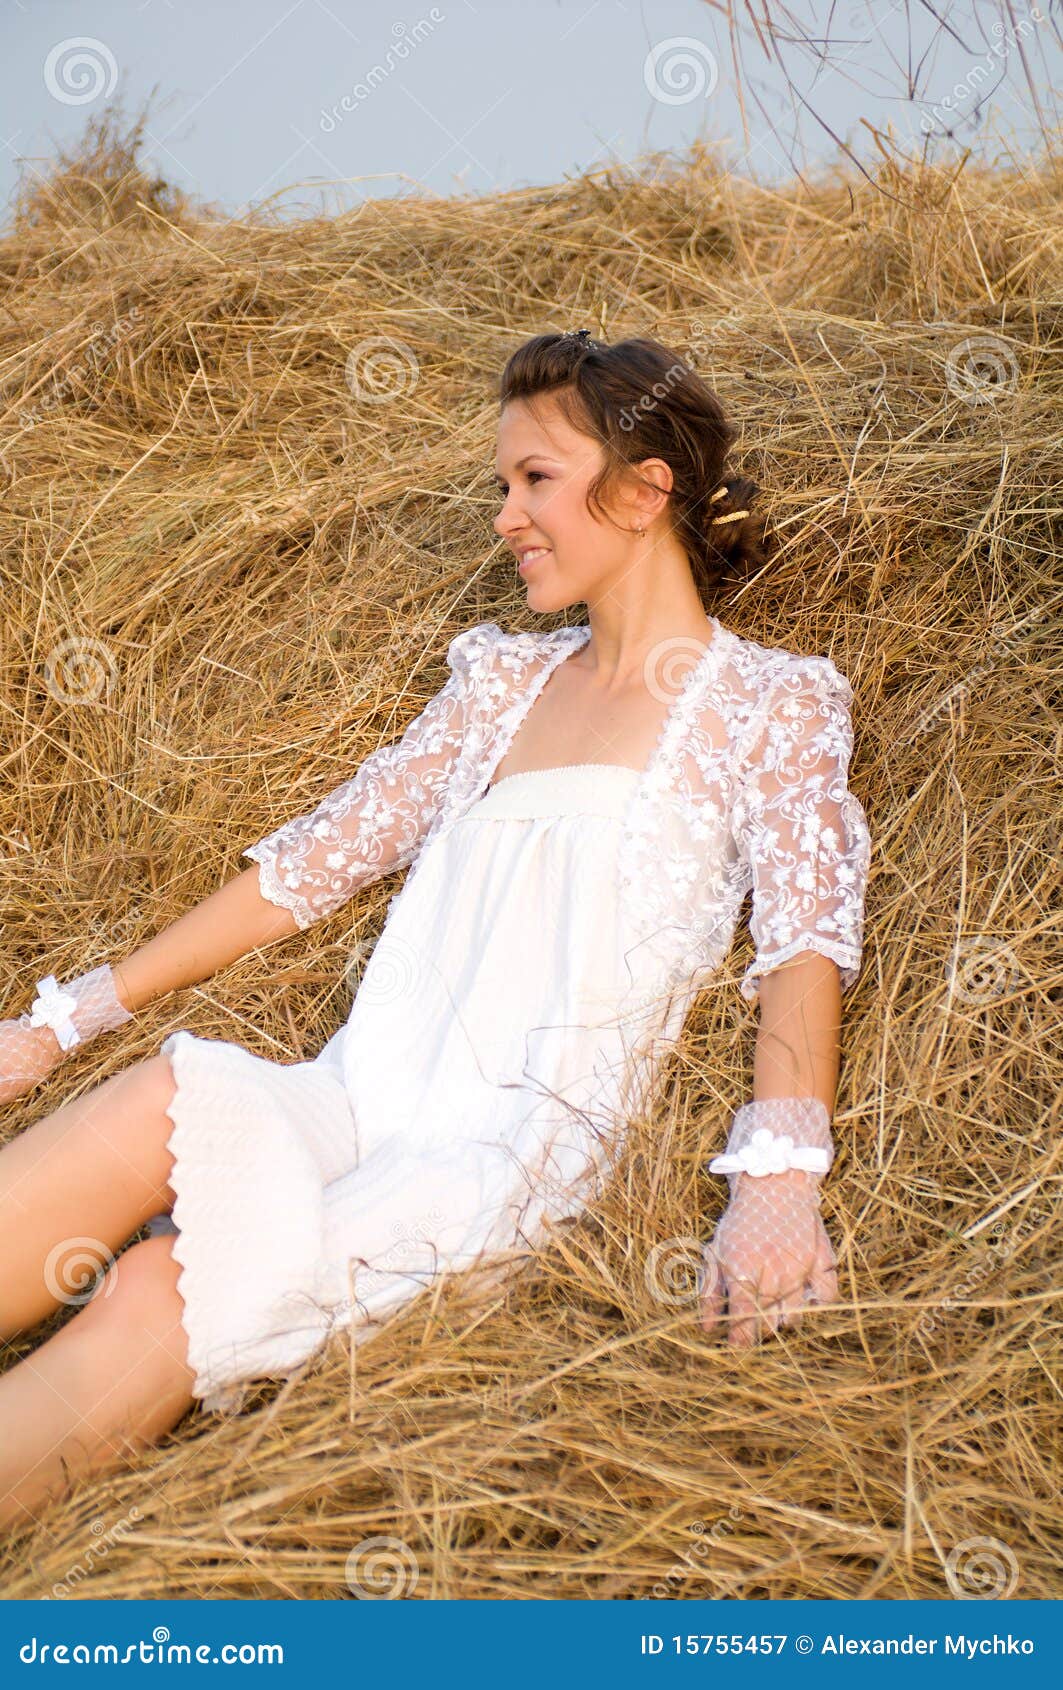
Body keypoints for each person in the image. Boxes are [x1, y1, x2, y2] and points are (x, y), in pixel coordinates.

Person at [0, 329, 871, 1532]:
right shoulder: (498, 686)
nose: (507, 515)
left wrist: (780, 1176)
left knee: (160, 1287)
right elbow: (313, 864)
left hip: (494, 1159)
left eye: (535, 479)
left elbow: (803, 940)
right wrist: (66, 1017)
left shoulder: (767, 705)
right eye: (498, 487)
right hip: (359, 1097)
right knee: (157, 1095)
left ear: (643, 488)